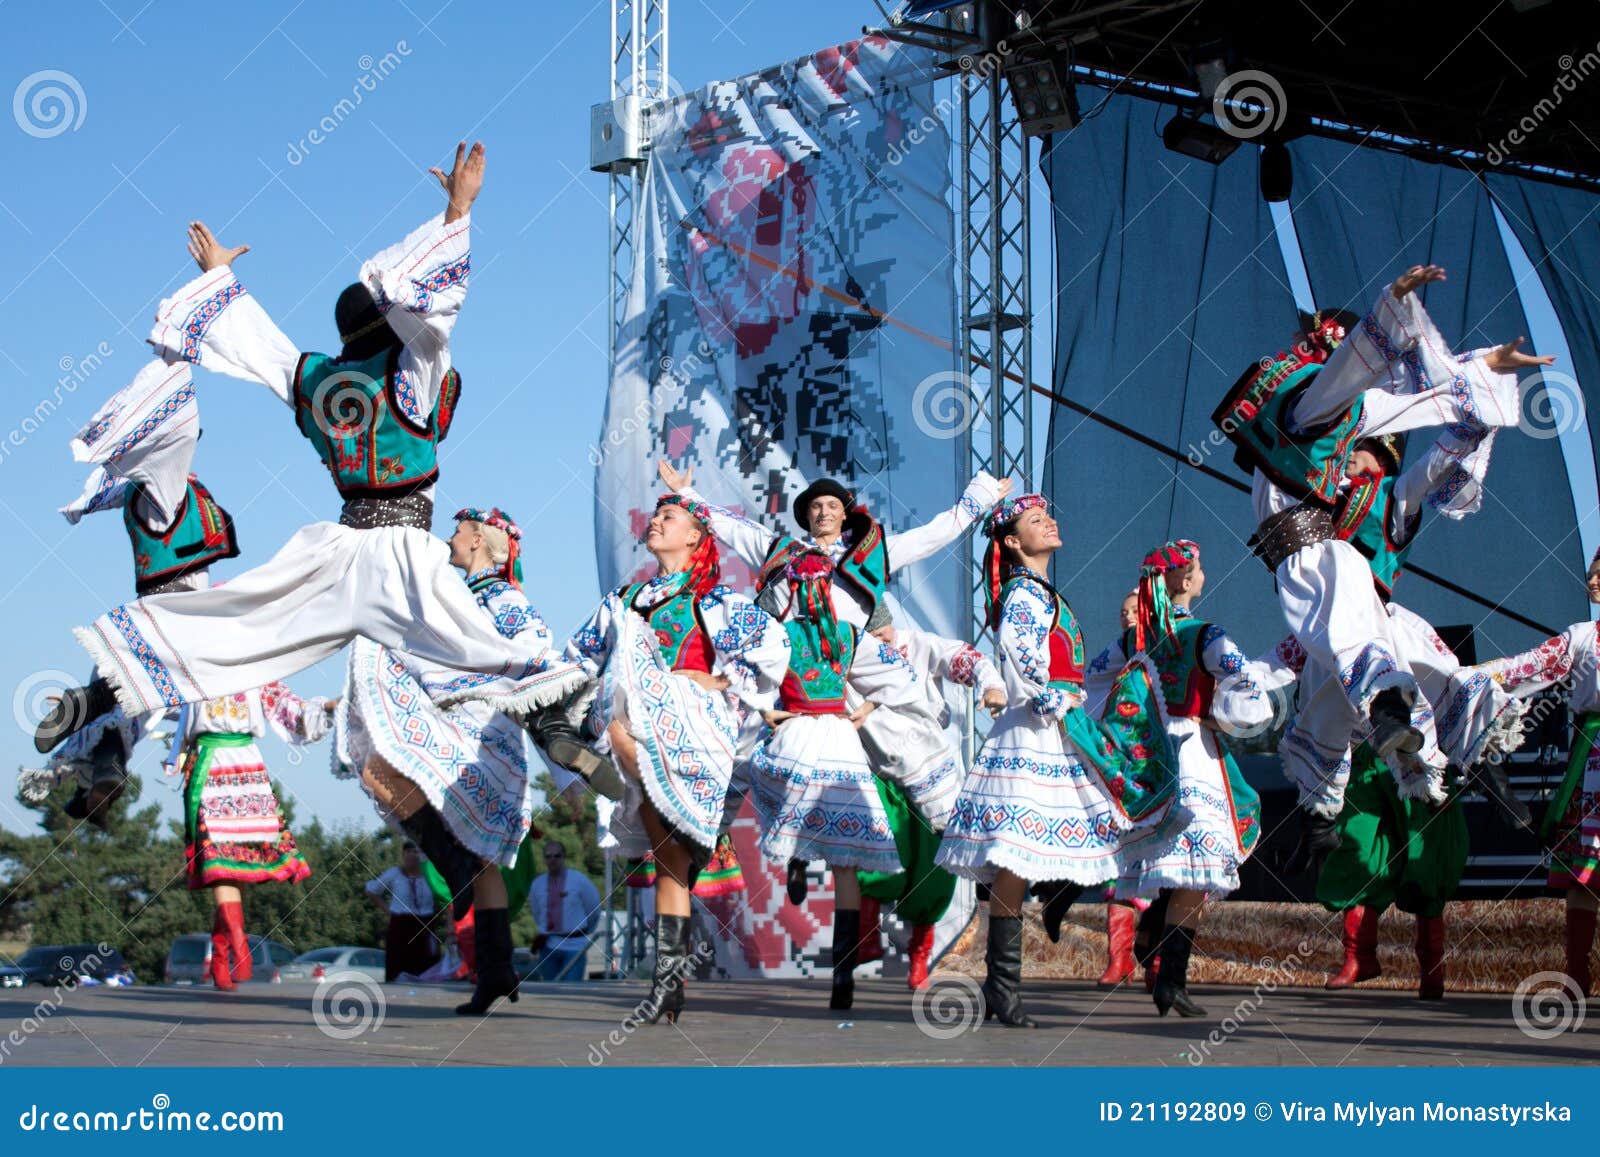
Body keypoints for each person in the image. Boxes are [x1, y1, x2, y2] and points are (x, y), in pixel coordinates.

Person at [39, 142, 617, 804]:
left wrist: (219, 281)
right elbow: (439, 315)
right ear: (390, 322)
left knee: (237, 625)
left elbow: (263, 350)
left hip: (336, 550)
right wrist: (457, 210)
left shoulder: (315, 380)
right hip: (403, 552)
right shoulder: (411, 371)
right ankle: (551, 725)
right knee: (478, 645)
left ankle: (98, 695)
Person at [1214, 264, 1547, 864]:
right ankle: (1373, 749)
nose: (1363, 463)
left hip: (1356, 611)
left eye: (1373, 456)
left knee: (1398, 669)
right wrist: (1390, 308)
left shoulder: (1385, 491)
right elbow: (1348, 386)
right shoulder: (1306, 419)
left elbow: (1412, 430)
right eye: (1362, 453)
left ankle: (1461, 767)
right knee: (1341, 677)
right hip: (1316, 572)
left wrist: (1482, 373)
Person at [658, 460, 1006, 851]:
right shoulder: (782, 552)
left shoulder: (872, 554)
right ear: (806, 516)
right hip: (789, 662)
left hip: (849, 665)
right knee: (741, 742)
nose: (823, 512)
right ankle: (699, 838)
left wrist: (983, 495)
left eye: (832, 505)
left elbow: (933, 534)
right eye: (816, 507)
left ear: (845, 513)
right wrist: (688, 495)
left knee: (907, 748)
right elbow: (730, 526)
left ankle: (969, 847)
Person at [337, 505, 590, 1014]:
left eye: (457, 530)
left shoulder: (500, 595)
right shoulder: (450, 595)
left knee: (386, 777)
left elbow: (536, 651)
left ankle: (480, 937)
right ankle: (496, 971)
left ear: (478, 539)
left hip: (481, 735)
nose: (448, 537)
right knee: (475, 858)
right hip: (456, 731)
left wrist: (563, 767)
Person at [934, 495, 1173, 1028]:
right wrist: (1044, 694)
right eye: (1035, 521)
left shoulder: (1040, 591)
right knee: (1018, 859)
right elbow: (1020, 652)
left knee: (1073, 839)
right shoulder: (1024, 593)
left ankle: (1049, 926)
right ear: (1015, 543)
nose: (1050, 522)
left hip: (1055, 719)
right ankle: (1004, 985)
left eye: (1048, 515)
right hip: (1037, 725)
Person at [567, 493, 790, 1023]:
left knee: (671, 851)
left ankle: (625, 773)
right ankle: (669, 985)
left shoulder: (711, 601)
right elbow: (578, 656)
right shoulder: (624, 599)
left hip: (690, 724)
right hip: (639, 727)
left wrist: (721, 679)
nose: (657, 521)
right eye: (658, 515)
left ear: (694, 536)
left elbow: (775, 646)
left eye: (671, 517)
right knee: (670, 862)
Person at [21, 359, 239, 828]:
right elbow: (183, 424)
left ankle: (103, 760)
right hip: (183, 607)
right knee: (150, 698)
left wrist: (77, 505)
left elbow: (104, 490)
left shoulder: (142, 488)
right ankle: (98, 711)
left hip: (154, 610)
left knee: (138, 705)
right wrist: (177, 360)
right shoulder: (166, 484)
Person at [749, 552, 940, 1010]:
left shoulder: (779, 635)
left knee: (772, 783)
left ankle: (795, 854)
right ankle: (842, 976)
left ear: (793, 591)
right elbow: (898, 677)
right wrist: (866, 708)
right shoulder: (848, 636)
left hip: (797, 731)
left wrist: (768, 712)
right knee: (847, 861)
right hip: (838, 734)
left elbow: (746, 681)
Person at [1097, 541, 1272, 1016]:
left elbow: (1092, 681)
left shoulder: (1132, 641)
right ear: (1184, 580)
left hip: (1149, 755)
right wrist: (1223, 717)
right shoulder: (1204, 634)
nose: (1202, 573)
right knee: (1198, 864)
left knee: (1171, 860)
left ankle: (1158, 955)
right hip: (1193, 752)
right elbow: (1250, 690)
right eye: (1198, 568)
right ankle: (1169, 974)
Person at [1469, 556, 1600, 994]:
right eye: (1593, 569)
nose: (1593, 578)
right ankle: (1576, 973)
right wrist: (1477, 676)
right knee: (1586, 876)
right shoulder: (1584, 639)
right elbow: (1529, 666)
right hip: (1592, 771)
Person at [860, 616, 1006, 991]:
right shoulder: (852, 653)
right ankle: (862, 938)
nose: (879, 641)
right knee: (873, 854)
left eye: (882, 633)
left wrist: (990, 685)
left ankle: (920, 957)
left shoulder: (919, 646)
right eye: (870, 635)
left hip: (930, 774)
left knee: (932, 870)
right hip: (878, 771)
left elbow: (966, 658)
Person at [165, 681, 334, 990]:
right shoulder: (192, 663)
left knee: (239, 865)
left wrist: (325, 708)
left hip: (247, 766)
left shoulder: (257, 667)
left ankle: (221, 956)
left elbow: (287, 707)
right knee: (220, 861)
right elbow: (152, 695)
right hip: (209, 760)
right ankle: (240, 945)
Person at [525, 841, 602, 982]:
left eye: (557, 856)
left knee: (571, 989)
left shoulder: (579, 881)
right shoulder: (537, 884)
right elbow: (537, 913)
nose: (552, 859)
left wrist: (584, 930)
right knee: (549, 991)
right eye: (548, 856)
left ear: (564, 857)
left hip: (575, 946)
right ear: (544, 859)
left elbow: (594, 909)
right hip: (548, 946)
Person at [366, 843, 441, 982]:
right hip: (401, 925)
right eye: (408, 852)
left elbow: (444, 897)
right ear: (403, 855)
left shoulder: (431, 875)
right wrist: (388, 911)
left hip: (425, 924)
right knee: (398, 966)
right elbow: (372, 890)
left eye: (416, 852)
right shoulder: (394, 873)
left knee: (426, 967)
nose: (412, 856)